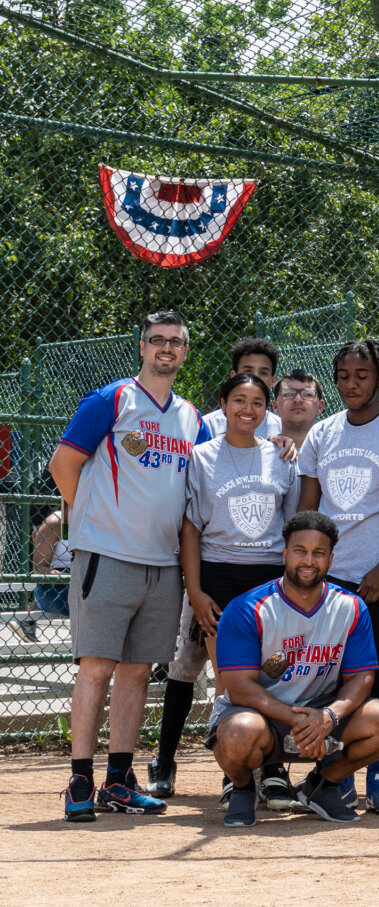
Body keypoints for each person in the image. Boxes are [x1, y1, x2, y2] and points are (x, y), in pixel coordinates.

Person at [49, 310, 209, 822]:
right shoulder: (111, 399)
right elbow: (62, 464)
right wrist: (94, 521)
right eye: (157, 340)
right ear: (140, 347)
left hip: (162, 565)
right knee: (96, 669)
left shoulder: (191, 418)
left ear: (185, 351)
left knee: (138, 672)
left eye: (176, 342)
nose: (166, 348)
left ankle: (118, 779)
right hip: (108, 557)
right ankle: (79, 780)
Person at [148, 371, 301, 807]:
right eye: (239, 401)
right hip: (218, 575)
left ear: (266, 409)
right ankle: (233, 773)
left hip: (269, 578)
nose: (247, 410)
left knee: (274, 672)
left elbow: (289, 528)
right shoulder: (201, 457)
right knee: (229, 680)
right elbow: (191, 528)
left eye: (256, 403)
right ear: (223, 403)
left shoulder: (281, 458)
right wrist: (194, 591)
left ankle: (272, 770)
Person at [208, 511, 379, 827]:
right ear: (285, 553)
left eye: (319, 553)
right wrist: (298, 719)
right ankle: (243, 788)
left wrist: (329, 717)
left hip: (320, 712)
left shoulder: (351, 607)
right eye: (300, 551)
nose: (308, 561)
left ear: (331, 558)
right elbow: (239, 687)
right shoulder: (247, 608)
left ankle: (324, 786)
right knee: (237, 733)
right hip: (261, 716)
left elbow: (362, 678)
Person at [297, 340, 379, 812]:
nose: (352, 384)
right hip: (332, 580)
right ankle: (337, 776)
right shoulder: (322, 435)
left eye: (362, 375)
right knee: (331, 679)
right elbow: (309, 510)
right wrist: (310, 570)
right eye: (344, 376)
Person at [202, 337, 283, 440]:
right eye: (248, 371)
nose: (255, 377)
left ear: (273, 380)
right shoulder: (209, 426)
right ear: (234, 375)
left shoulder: (281, 429)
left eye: (263, 373)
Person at [273, 368, 326, 448]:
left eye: (308, 394)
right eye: (288, 394)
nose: (298, 400)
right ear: (275, 406)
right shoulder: (262, 450)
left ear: (320, 406)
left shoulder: (333, 449)